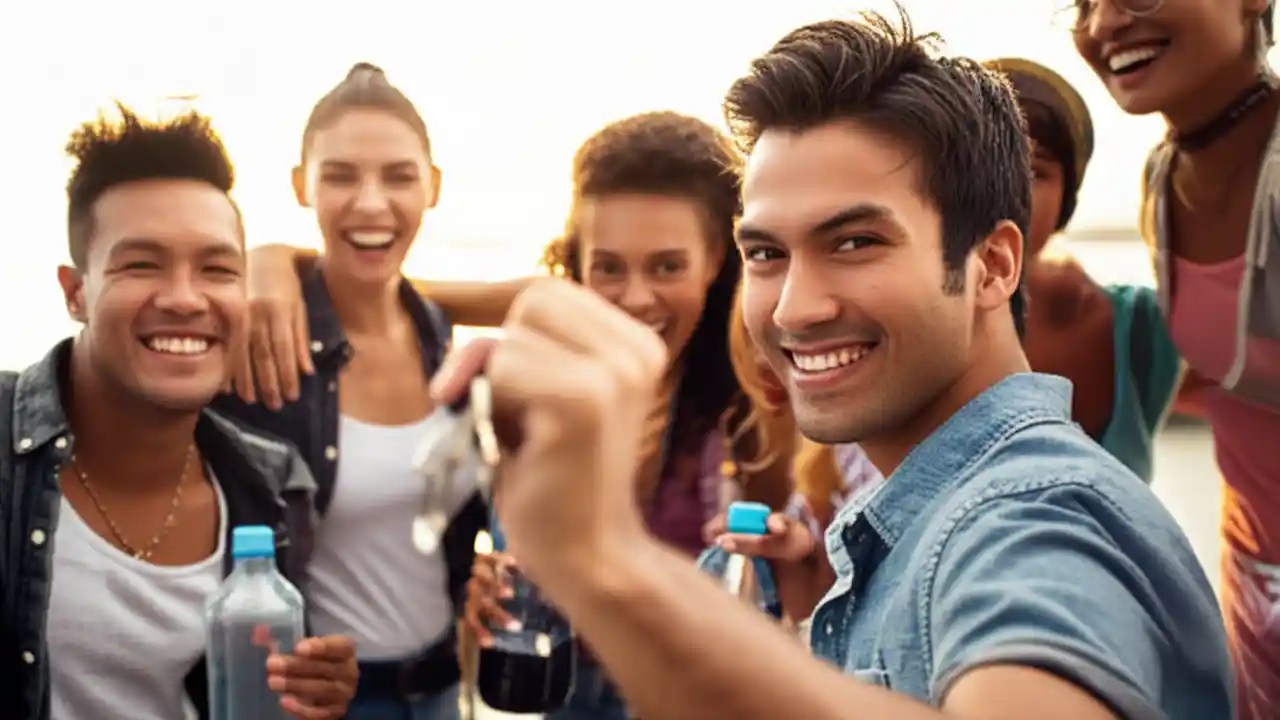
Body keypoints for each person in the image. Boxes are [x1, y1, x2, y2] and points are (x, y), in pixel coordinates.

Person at [430, 10, 1234, 719]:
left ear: (992, 265)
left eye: (855, 242)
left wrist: (604, 561)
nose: (794, 308)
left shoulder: (1032, 513)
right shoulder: (907, 510)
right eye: (767, 252)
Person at [0, 106, 357, 720]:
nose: (186, 299)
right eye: (141, 264)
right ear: (75, 292)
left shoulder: (271, 487)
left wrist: (315, 691)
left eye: (218, 270)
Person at [209, 63, 485, 720]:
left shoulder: (437, 334)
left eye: (398, 175)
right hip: (321, 701)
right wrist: (263, 258)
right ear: (302, 185)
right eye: (340, 175)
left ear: (434, 187)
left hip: (442, 686)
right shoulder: (265, 338)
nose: (370, 202)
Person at [1072, 1, 1280, 715]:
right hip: (1253, 577)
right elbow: (1235, 373)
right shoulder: (1164, 176)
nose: (1102, 25)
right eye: (1082, 4)